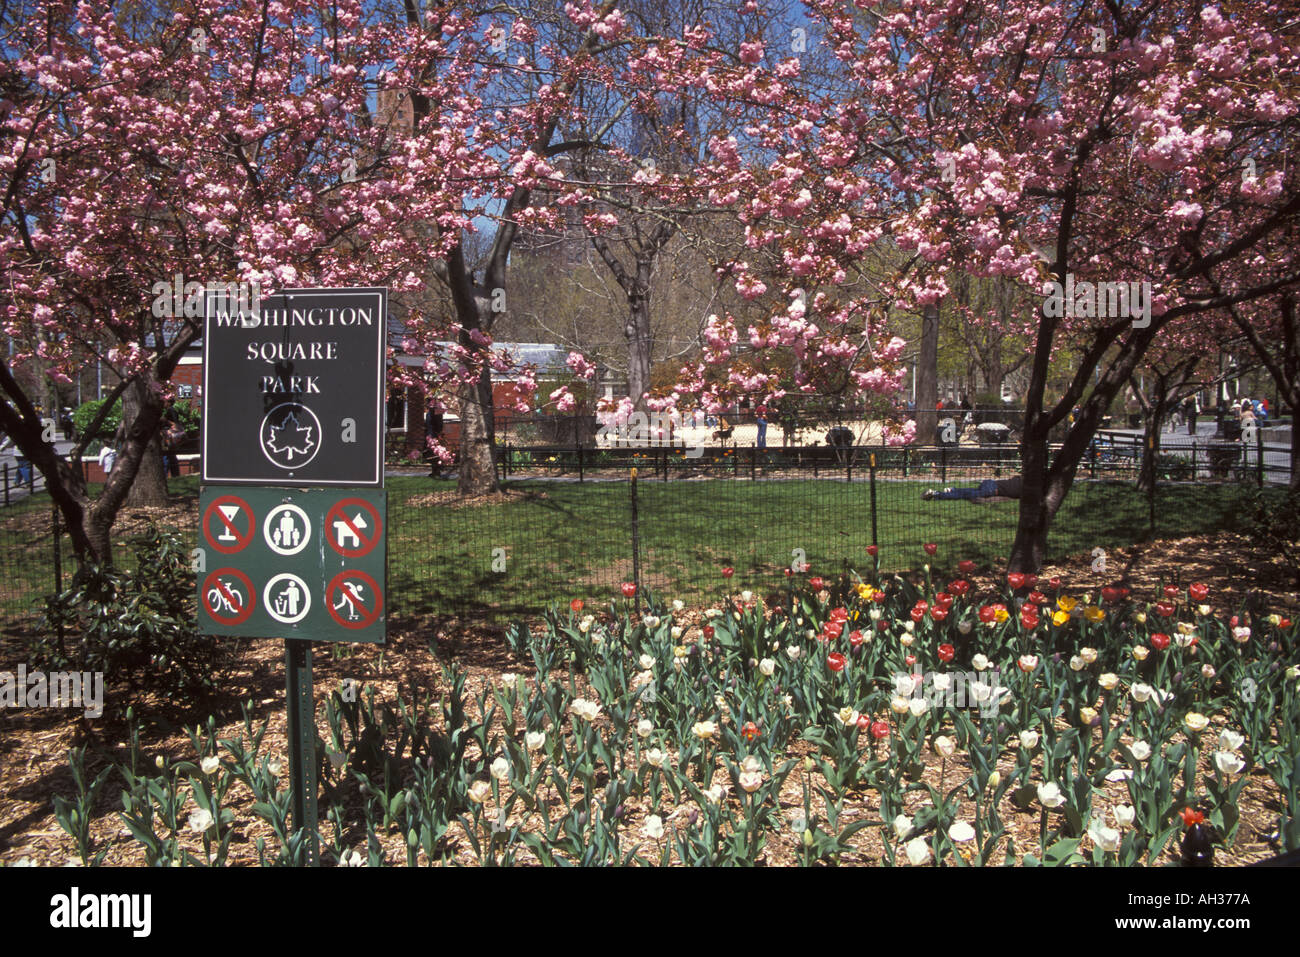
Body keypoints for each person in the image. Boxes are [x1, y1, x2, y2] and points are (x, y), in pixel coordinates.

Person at [923, 474, 1023, 501]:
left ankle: (953, 490)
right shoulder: (1025, 488)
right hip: (991, 489)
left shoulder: (1021, 480)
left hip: (989, 483)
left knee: (971, 491)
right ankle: (938, 494)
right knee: (967, 495)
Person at [424, 404, 445, 477]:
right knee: (432, 454)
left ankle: (437, 470)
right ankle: (434, 471)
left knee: (435, 454)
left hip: (434, 436)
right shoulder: (429, 413)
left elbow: (439, 424)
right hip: (430, 435)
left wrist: (438, 434)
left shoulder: (436, 412)